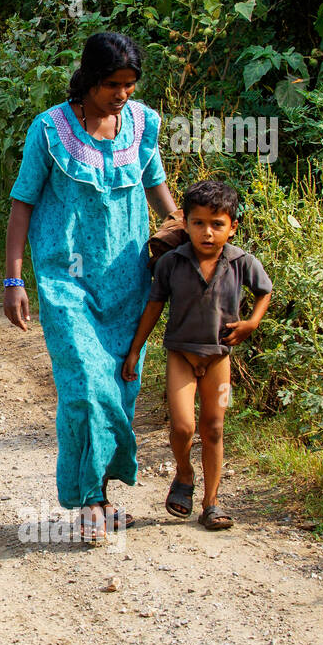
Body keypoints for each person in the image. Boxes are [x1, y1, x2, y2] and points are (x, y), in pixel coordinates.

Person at [4, 32, 178, 544]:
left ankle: (100, 489)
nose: (121, 94)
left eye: (128, 85)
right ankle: (87, 503)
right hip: (66, 280)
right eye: (111, 85)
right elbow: (22, 204)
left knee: (121, 387)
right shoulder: (50, 129)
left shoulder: (142, 124)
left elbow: (157, 186)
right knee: (83, 387)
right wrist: (15, 278)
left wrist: (187, 235)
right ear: (88, 79)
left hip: (129, 281)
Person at [123, 180, 272, 530]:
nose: (208, 232)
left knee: (215, 428)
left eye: (217, 224)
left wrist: (252, 322)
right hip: (181, 355)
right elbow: (154, 306)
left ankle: (212, 503)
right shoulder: (172, 263)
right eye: (199, 223)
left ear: (232, 227)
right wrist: (135, 350)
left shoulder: (241, 262)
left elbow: (264, 291)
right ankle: (185, 474)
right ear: (186, 223)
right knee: (182, 426)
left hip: (219, 358)